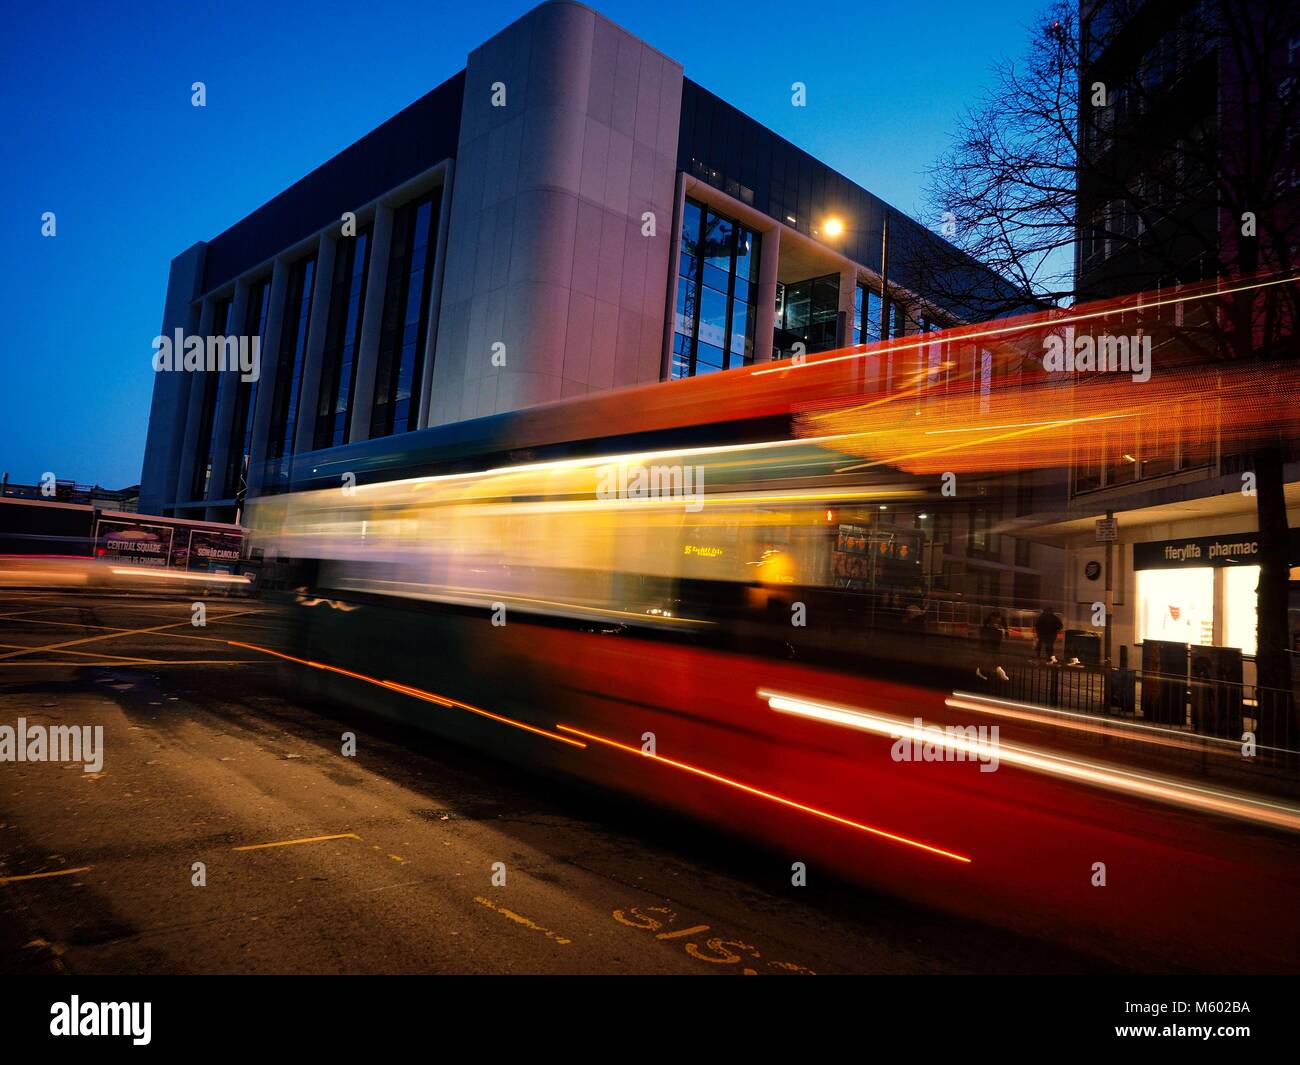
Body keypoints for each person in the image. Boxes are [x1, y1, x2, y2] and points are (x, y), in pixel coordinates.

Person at [977, 610, 1008, 681]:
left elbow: (1005, 626)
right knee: (990, 655)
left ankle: (985, 670)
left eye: (997, 620)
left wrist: (1005, 633)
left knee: (993, 654)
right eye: (994, 620)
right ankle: (982, 670)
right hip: (991, 636)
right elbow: (984, 626)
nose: (995, 623)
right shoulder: (990, 619)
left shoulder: (1000, 619)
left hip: (996, 636)